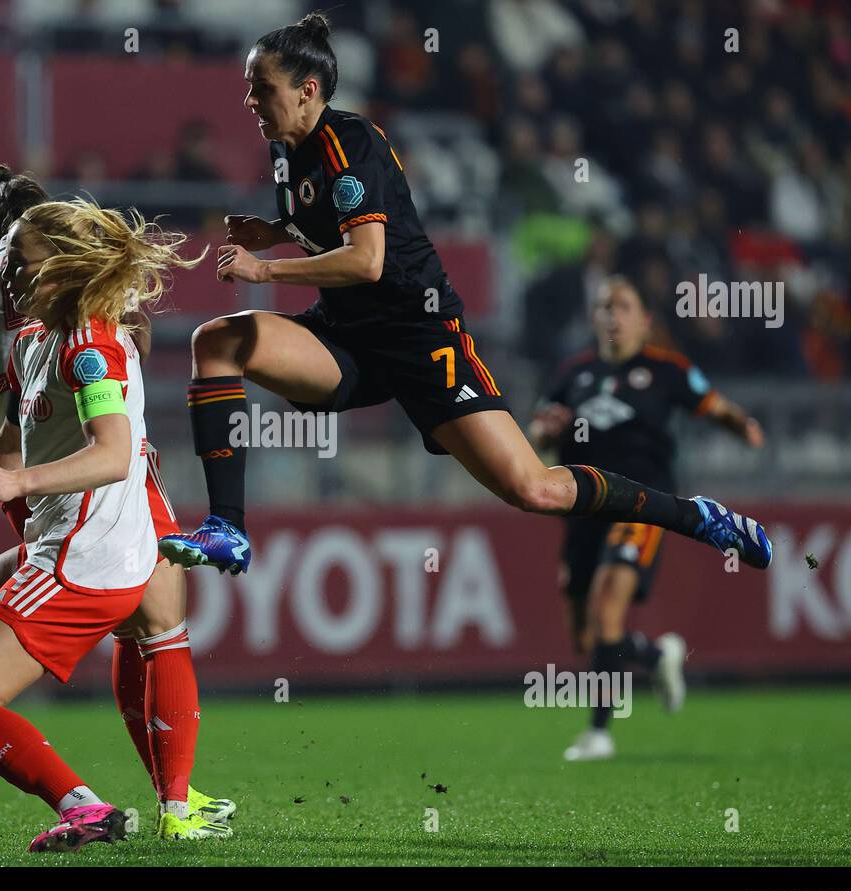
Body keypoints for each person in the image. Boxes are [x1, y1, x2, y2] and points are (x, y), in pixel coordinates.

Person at [157, 12, 773, 582]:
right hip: (348, 336)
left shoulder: (353, 143)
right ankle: (229, 528)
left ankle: (693, 516)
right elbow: (328, 228)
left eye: (261, 88)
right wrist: (276, 231)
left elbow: (369, 261)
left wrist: (266, 272)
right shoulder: (286, 151)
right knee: (217, 341)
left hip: (422, 340)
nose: (250, 101)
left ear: (308, 90)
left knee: (535, 490)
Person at [0, 195, 226, 852]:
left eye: (22, 266)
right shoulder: (38, 338)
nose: (8, 279)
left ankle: (85, 808)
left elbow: (111, 454)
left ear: (66, 270)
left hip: (86, 556)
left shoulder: (89, 349)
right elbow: (21, 432)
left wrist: (17, 485)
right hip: (69, 543)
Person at [530, 276, 764, 761]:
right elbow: (540, 436)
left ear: (645, 319)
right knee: (586, 636)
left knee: (606, 604)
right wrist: (542, 432)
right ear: (593, 317)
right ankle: (658, 656)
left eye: (623, 304)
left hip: (640, 504)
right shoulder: (572, 373)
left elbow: (714, 406)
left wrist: (742, 425)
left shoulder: (666, 370)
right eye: (604, 306)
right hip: (581, 510)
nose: (612, 314)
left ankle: (598, 732)